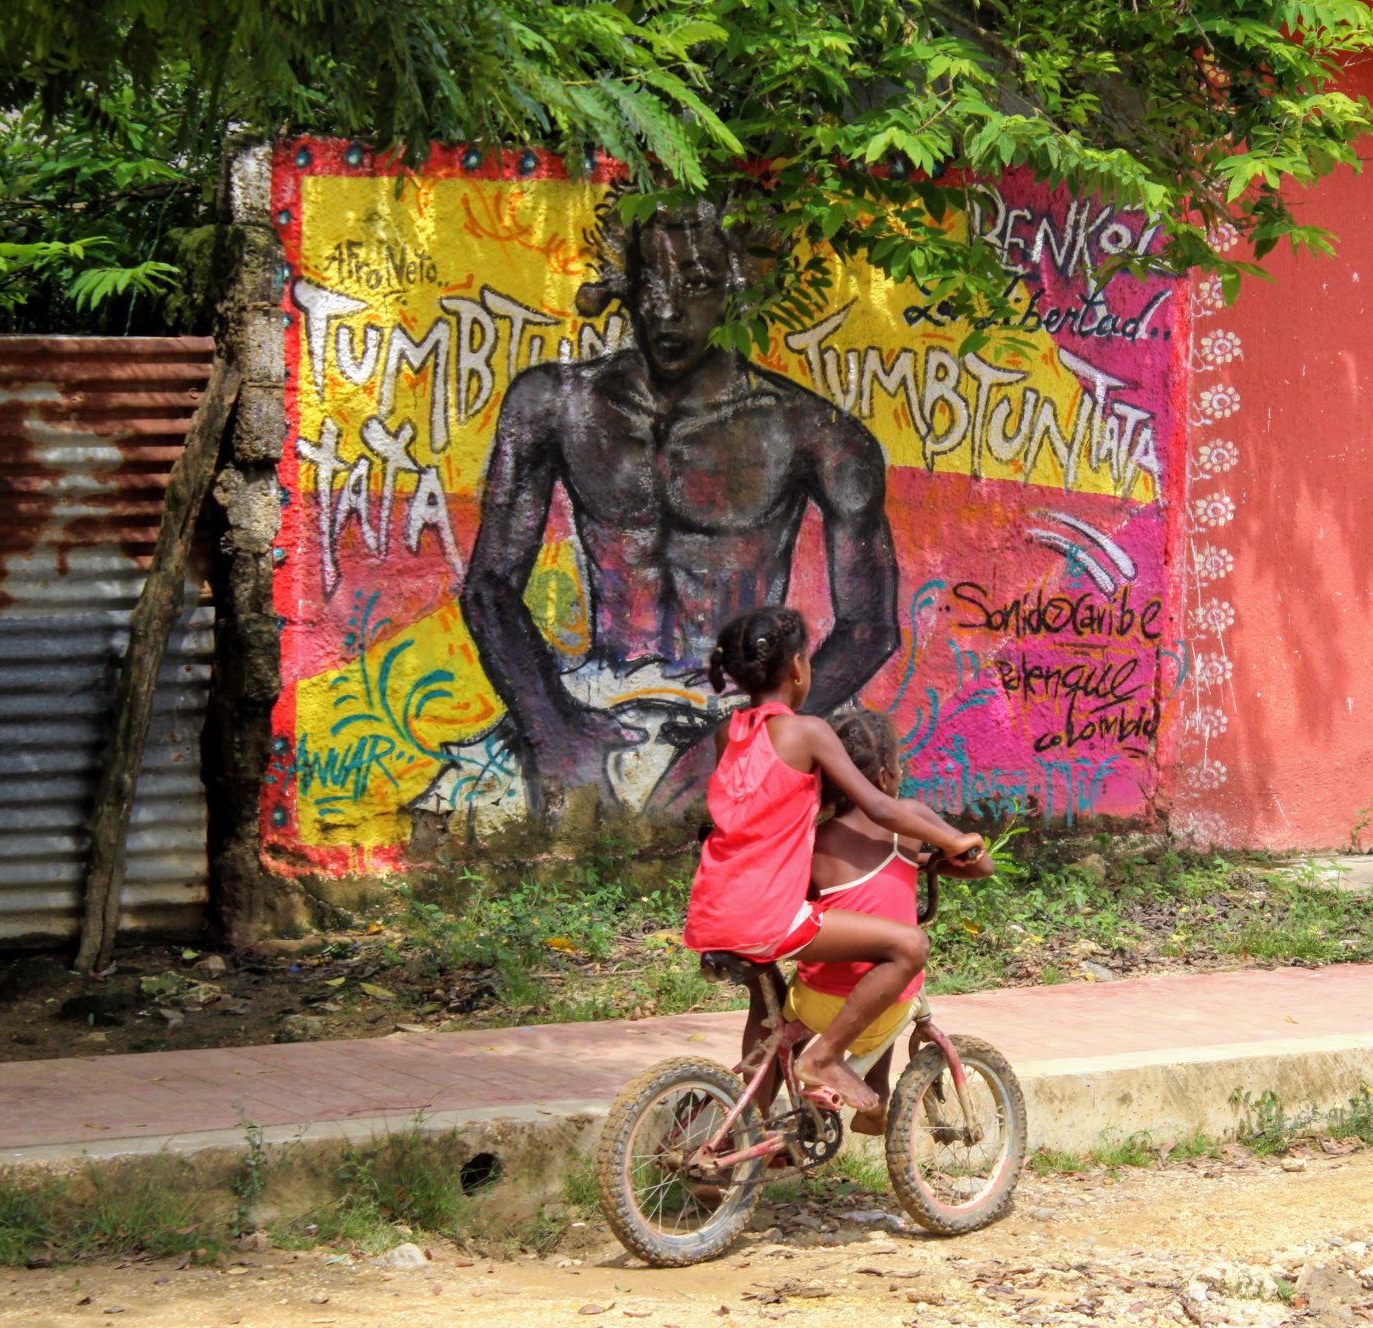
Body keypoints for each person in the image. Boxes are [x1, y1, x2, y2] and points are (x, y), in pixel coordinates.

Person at [418, 196, 899, 830]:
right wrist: (555, 728)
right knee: (445, 818)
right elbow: (490, 589)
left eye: (696, 283)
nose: (668, 309)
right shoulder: (554, 404)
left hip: (743, 701)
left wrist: (744, 736)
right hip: (590, 696)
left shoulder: (814, 432)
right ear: (625, 287)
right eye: (650, 282)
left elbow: (869, 626)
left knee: (839, 816)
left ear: (739, 286)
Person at [683, 606, 983, 1114]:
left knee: (768, 1000)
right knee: (910, 944)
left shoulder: (727, 734)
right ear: (798, 667)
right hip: (767, 913)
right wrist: (953, 842)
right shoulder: (807, 733)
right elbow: (879, 805)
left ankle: (744, 1129)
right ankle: (824, 1057)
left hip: (714, 910)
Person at [792, 708, 996, 1134]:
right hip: (879, 1010)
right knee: (891, 981)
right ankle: (875, 1095)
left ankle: (786, 1118)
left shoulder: (815, 838)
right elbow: (980, 867)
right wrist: (950, 847)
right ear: (886, 775)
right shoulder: (910, 818)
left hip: (813, 1002)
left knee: (849, 980)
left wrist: (920, 861)